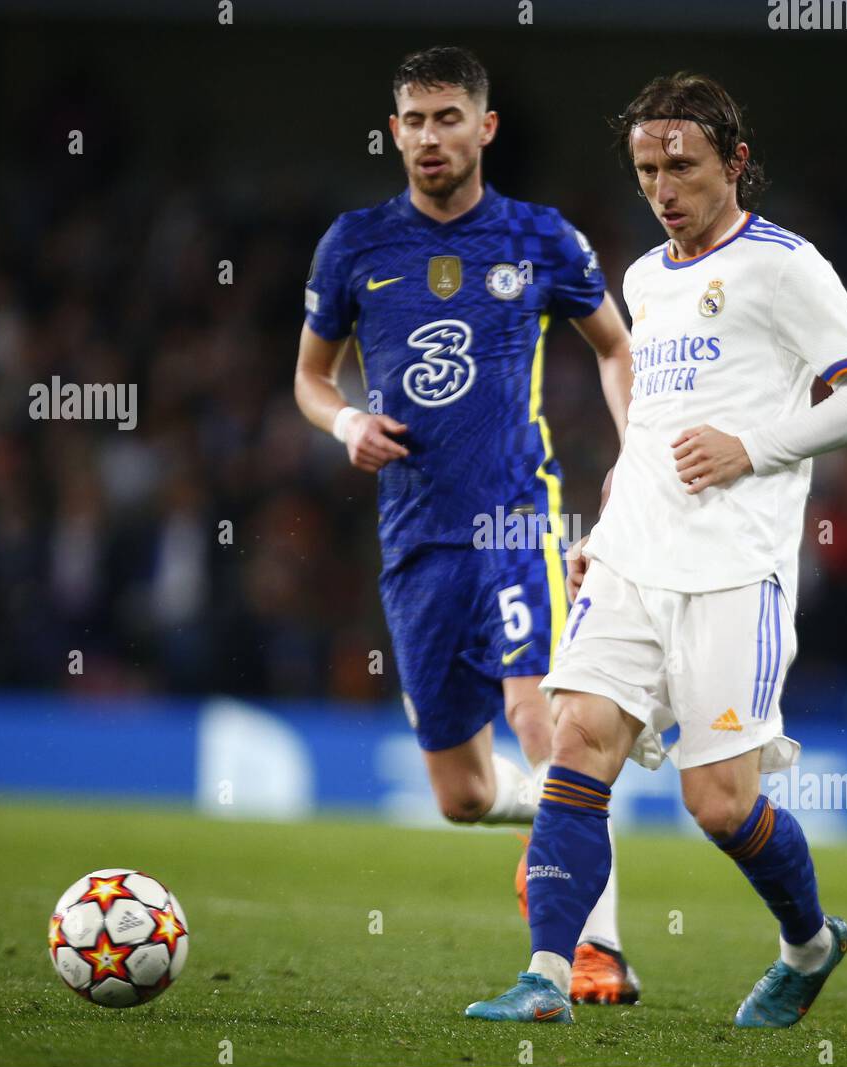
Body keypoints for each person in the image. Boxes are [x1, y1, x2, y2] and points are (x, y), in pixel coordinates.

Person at [466, 72, 847, 1026]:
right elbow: (653, 425)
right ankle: (549, 975)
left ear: (735, 162)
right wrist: (610, 526)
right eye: (647, 171)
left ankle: (810, 943)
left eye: (683, 167)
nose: (663, 189)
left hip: (734, 570)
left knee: (720, 805)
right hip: (631, 560)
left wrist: (753, 447)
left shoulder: (785, 267)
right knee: (575, 745)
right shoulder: (645, 278)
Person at [293, 46, 643, 1003]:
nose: (429, 136)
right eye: (413, 119)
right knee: (463, 797)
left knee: (541, 718)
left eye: (448, 117)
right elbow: (311, 378)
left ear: (484, 128)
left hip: (516, 515)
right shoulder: (355, 245)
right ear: (393, 130)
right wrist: (346, 423)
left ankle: (594, 949)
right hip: (416, 537)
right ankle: (560, 832)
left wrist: (636, 453)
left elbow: (616, 348)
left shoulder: (539, 237)